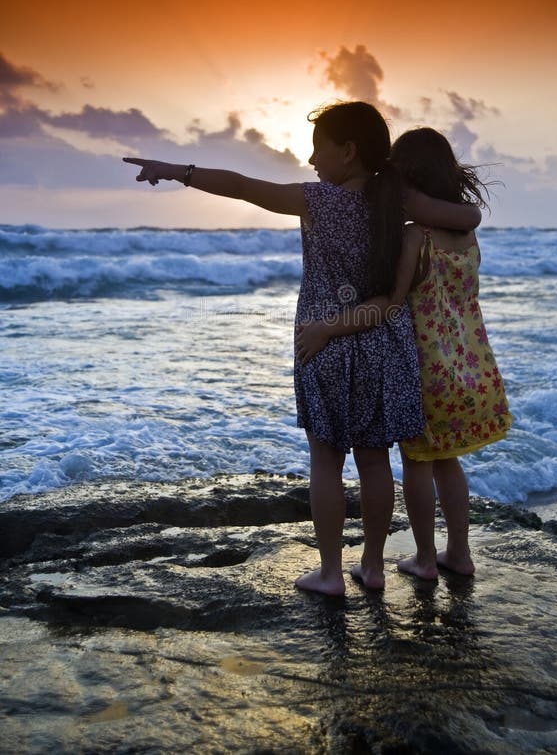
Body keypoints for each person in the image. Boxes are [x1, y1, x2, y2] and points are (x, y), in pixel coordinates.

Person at [124, 104, 481, 596]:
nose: (312, 160)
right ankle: (372, 567)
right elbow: (467, 215)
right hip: (384, 343)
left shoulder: (317, 201)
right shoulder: (395, 200)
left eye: (319, 148)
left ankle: (332, 573)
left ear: (348, 152)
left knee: (326, 460)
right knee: (375, 461)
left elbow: (242, 186)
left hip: (323, 342)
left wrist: (178, 172)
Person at [296, 126, 511, 581]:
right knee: (447, 461)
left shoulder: (416, 236)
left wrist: (336, 324)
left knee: (417, 461)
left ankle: (426, 560)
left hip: (422, 363)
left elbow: (394, 302)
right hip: (468, 363)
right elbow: (468, 224)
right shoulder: (466, 235)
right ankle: (460, 553)